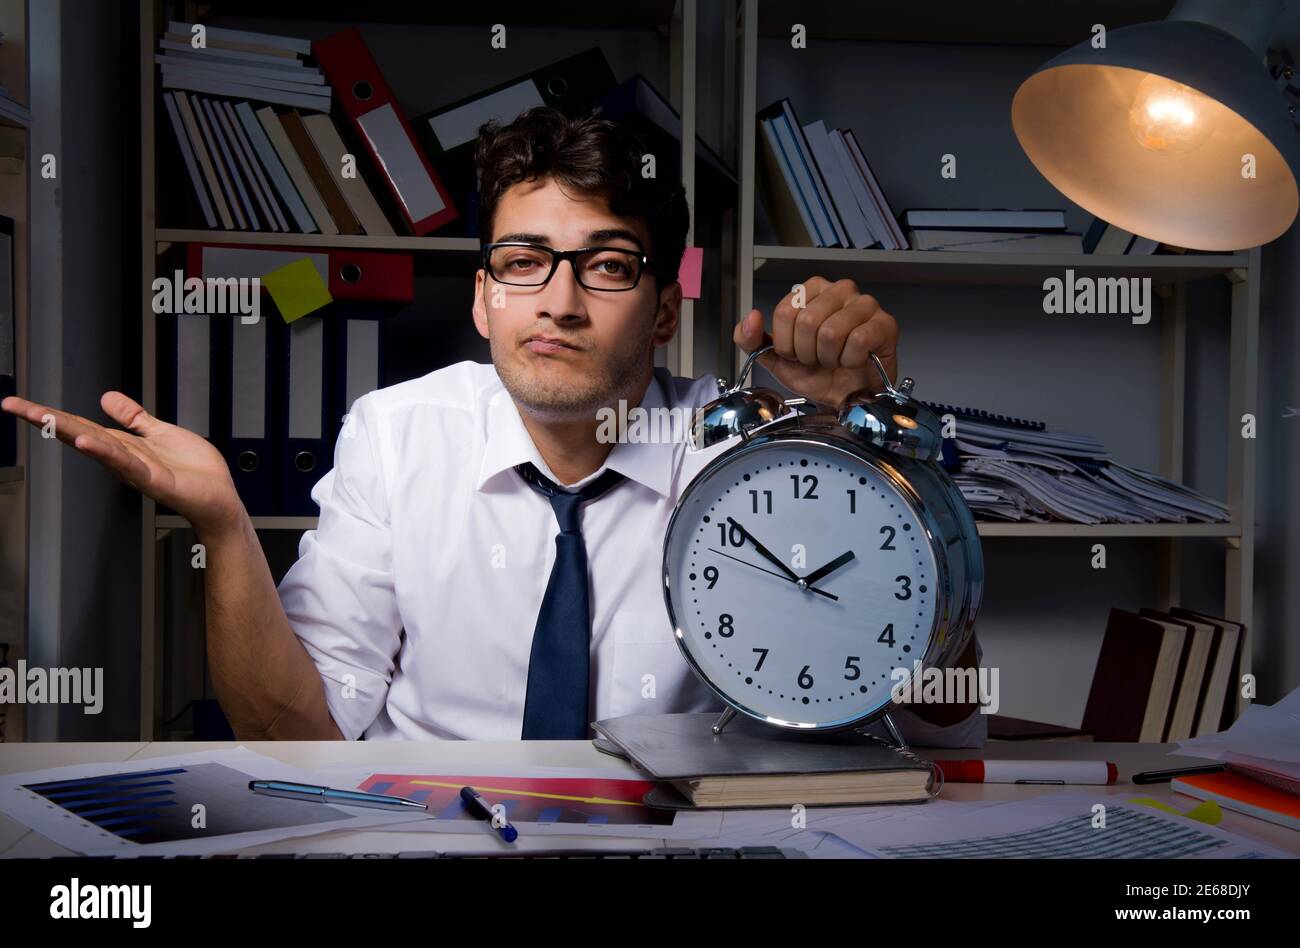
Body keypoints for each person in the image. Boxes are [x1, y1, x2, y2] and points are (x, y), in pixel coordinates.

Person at [2, 106, 984, 744]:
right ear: (481, 300)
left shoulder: (756, 456)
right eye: (523, 261)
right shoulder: (395, 434)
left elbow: (931, 719)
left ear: (666, 310)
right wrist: (224, 525)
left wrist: (856, 439)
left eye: (605, 265)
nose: (557, 301)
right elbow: (299, 734)